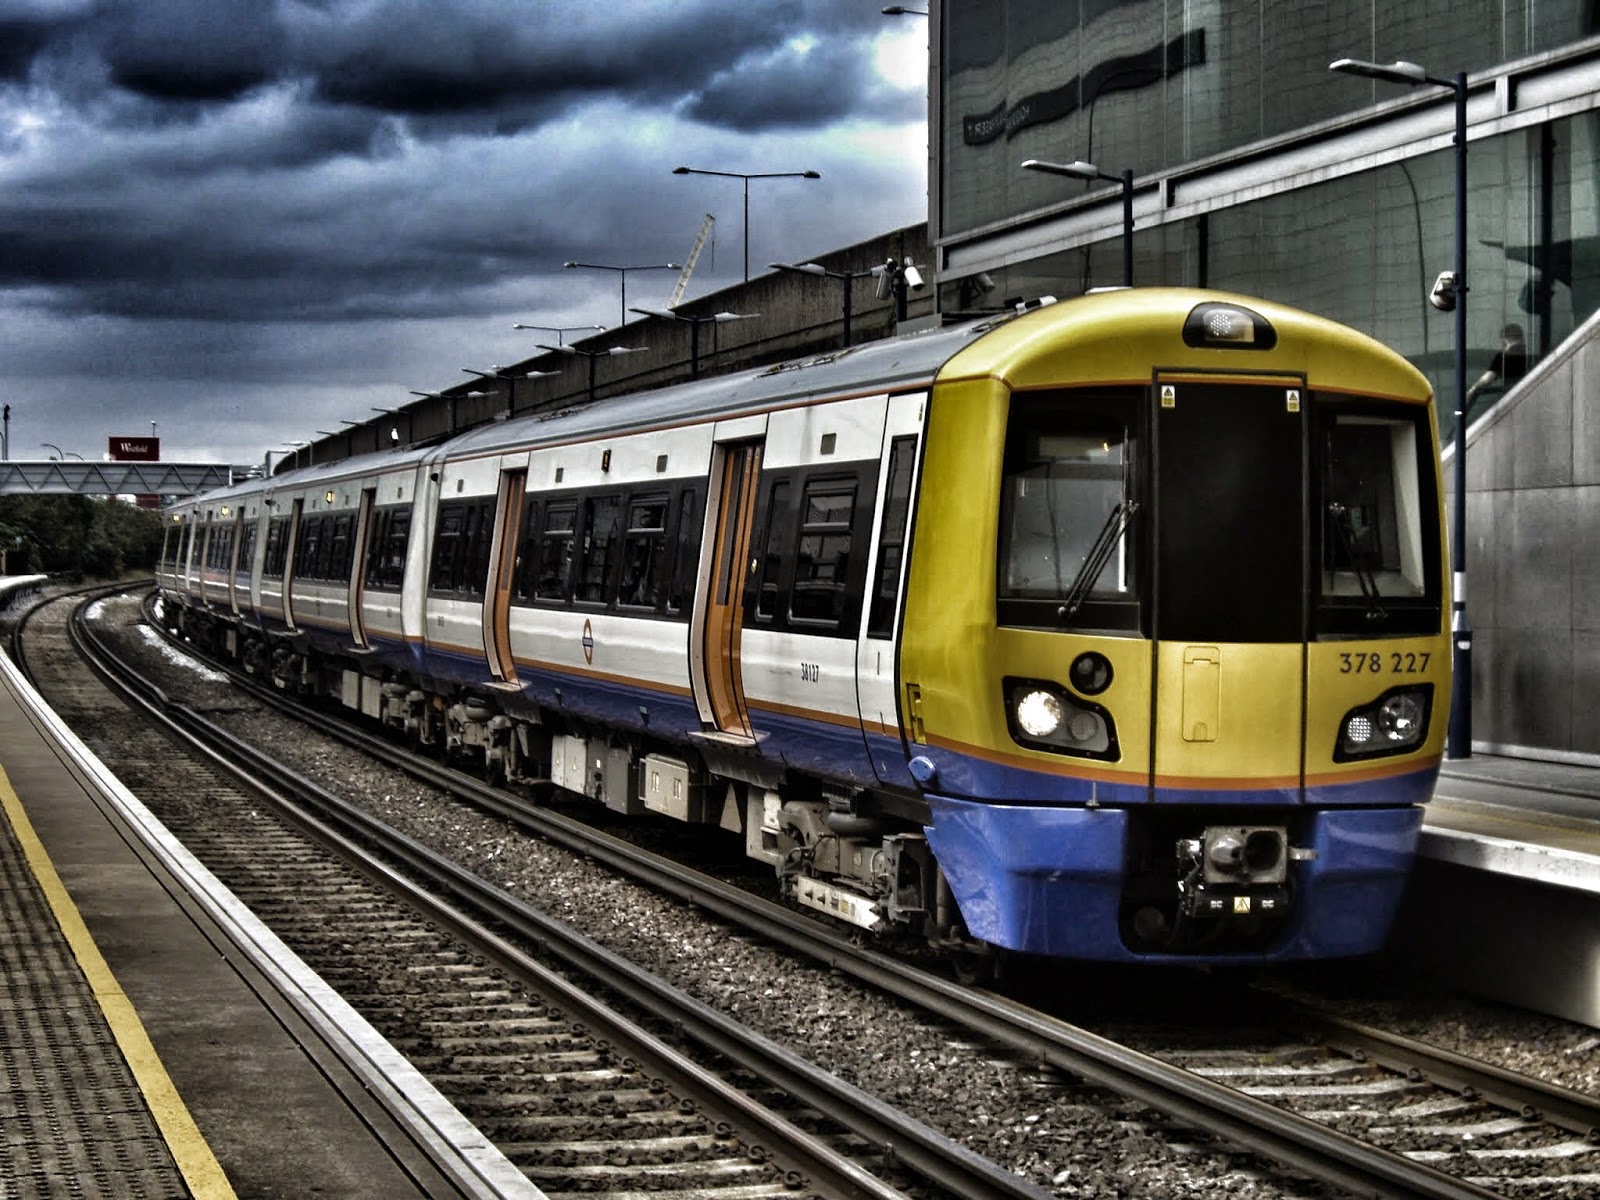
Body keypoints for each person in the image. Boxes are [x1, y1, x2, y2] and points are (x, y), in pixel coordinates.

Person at [1465, 323, 1527, 406]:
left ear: (1506, 340)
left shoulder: (1504, 357)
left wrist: (1472, 390)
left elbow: (1486, 380)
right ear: (1522, 338)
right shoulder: (1531, 354)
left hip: (1511, 400)